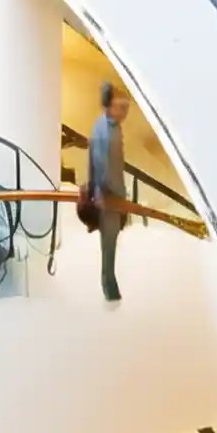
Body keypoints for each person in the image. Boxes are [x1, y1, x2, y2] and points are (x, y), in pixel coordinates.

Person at [89, 81, 130, 302]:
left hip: (115, 193)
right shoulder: (103, 132)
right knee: (109, 241)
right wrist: (103, 194)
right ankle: (109, 285)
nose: (125, 112)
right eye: (121, 106)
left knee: (112, 239)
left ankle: (110, 282)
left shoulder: (112, 127)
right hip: (108, 196)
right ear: (109, 105)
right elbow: (99, 165)